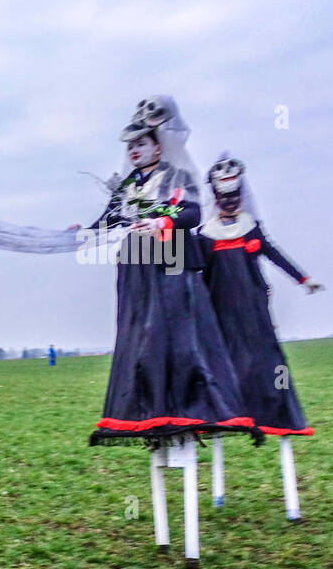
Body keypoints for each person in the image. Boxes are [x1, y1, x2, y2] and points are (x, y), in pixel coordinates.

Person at [68, 96, 260, 447]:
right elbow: (110, 219)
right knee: (142, 339)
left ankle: (187, 406)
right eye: (130, 145)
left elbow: (192, 215)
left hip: (172, 262)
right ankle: (149, 408)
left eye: (141, 143)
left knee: (175, 337)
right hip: (137, 266)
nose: (133, 151)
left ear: (159, 146)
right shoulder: (128, 186)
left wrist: (160, 220)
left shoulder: (178, 175)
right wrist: (83, 233)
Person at [198, 154, 323, 437]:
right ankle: (221, 415)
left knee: (266, 359)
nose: (230, 201)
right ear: (215, 196)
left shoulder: (251, 226)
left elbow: (274, 254)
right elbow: (197, 274)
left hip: (254, 308)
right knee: (222, 361)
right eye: (224, 196)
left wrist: (303, 279)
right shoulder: (206, 235)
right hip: (220, 311)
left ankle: (275, 415)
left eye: (234, 196)